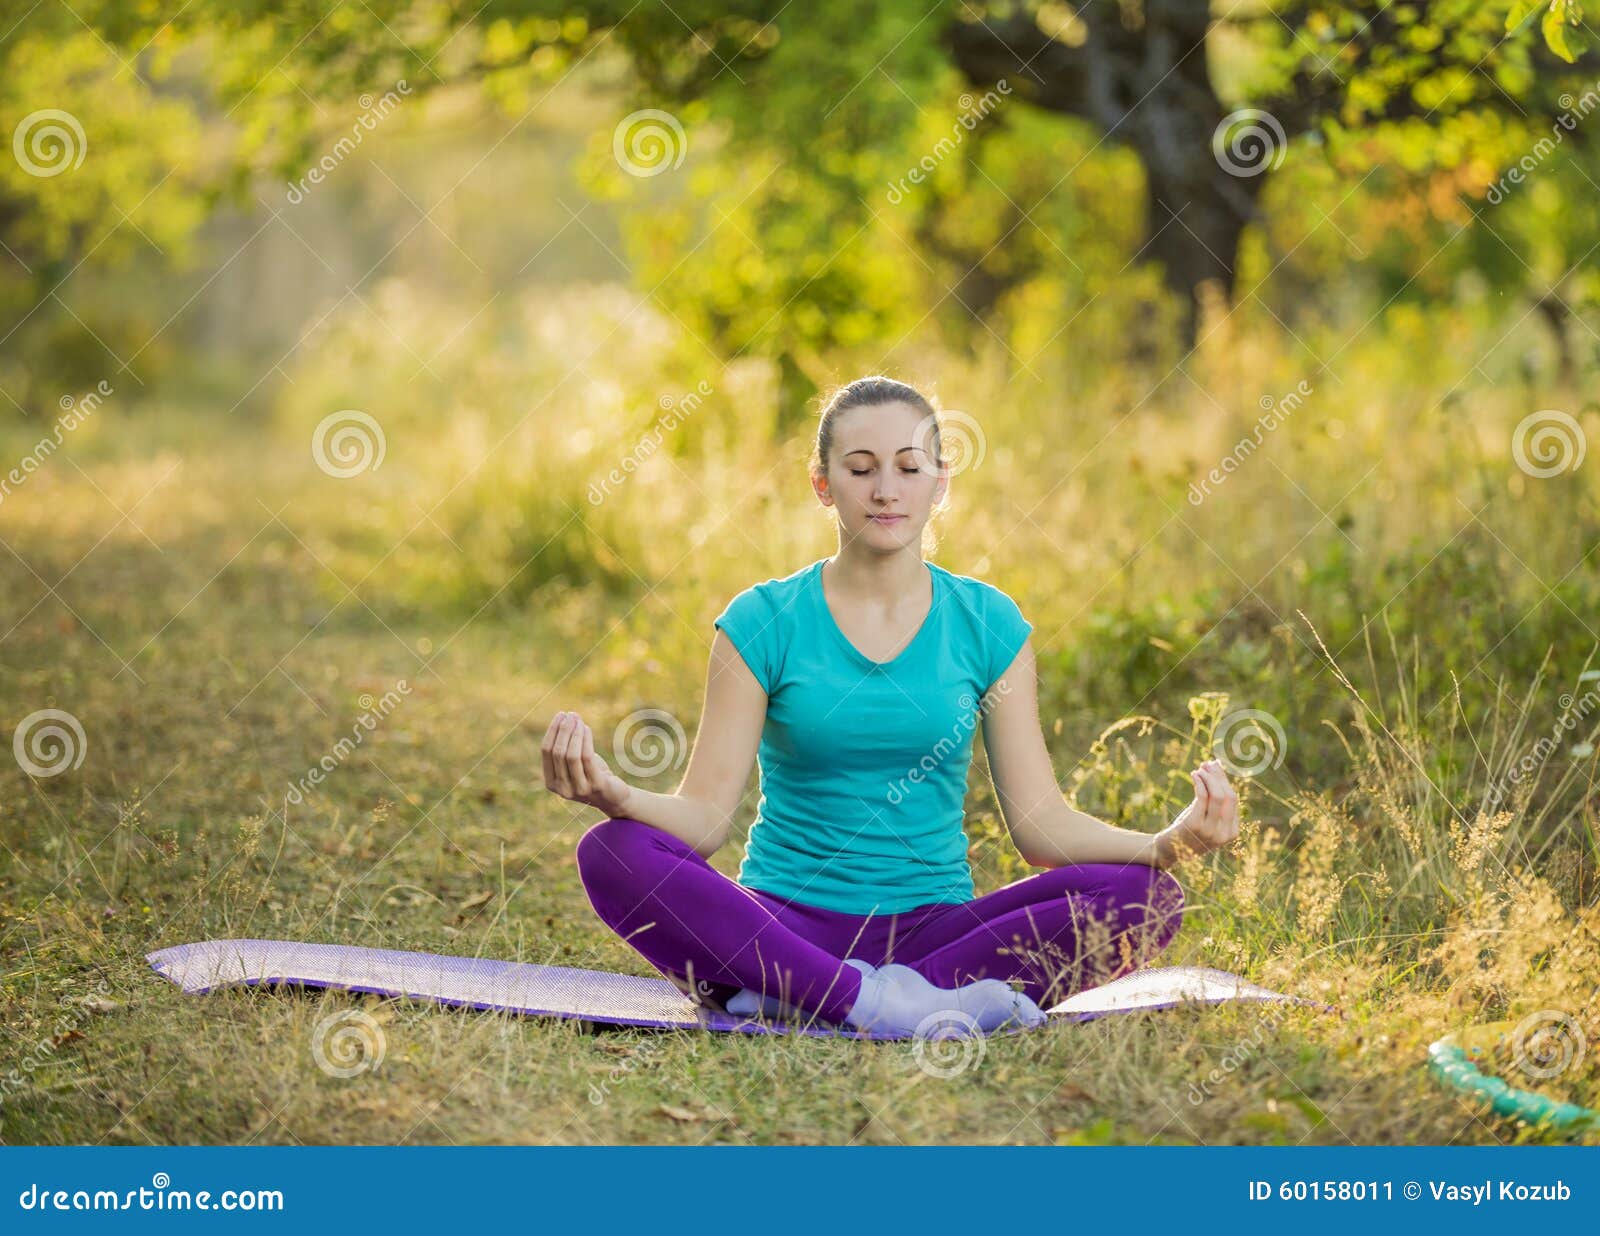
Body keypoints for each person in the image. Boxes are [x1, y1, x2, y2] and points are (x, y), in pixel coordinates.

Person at [543, 375, 1240, 1037]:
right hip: (782, 924)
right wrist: (617, 795)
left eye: (909, 467)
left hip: (935, 931)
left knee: (1148, 897)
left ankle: (809, 995)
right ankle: (871, 1001)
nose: (885, 490)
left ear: (941, 482)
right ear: (822, 484)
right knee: (614, 852)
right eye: (860, 467)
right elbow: (701, 822)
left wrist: (1168, 845)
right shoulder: (762, 619)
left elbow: (1039, 826)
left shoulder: (987, 622)